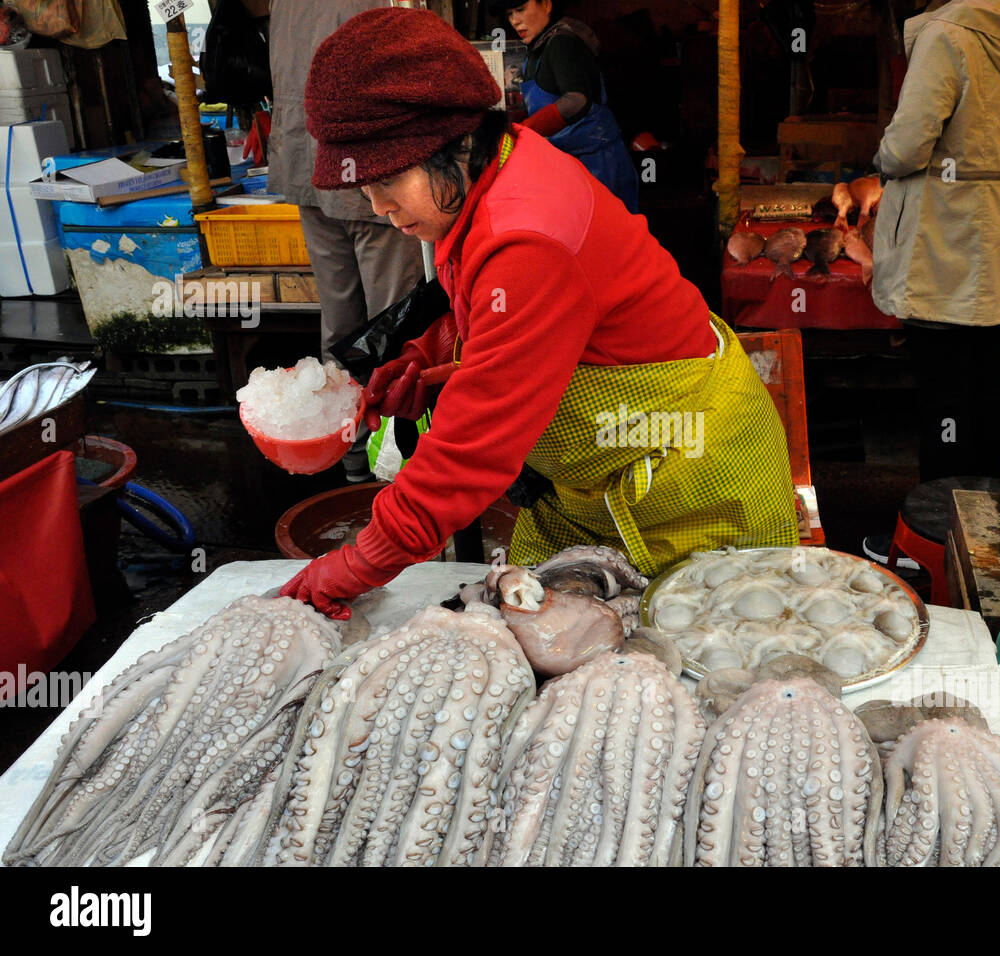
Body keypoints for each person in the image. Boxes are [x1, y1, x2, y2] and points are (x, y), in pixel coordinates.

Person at [279, 8, 796, 620]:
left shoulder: (527, 236)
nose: (378, 204)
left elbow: (471, 450)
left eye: (389, 178)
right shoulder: (494, 168)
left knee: (679, 661)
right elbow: (498, 316)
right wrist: (430, 355)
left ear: (457, 144)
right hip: (598, 478)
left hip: (686, 480)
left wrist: (355, 565)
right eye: (363, 185)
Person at [871, 0, 1000, 482]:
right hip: (998, 231)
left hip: (943, 236)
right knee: (983, 381)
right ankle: (984, 518)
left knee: (943, 394)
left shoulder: (947, 34)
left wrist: (883, 158)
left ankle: (934, 535)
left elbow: (908, 144)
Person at [267, 0, 426, 481]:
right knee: (395, 329)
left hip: (309, 166)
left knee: (341, 329)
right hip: (371, 175)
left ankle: (353, 457)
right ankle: (399, 463)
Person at [490, 0, 639, 212]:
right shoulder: (537, 50)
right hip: (568, 162)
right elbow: (539, 104)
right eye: (510, 13)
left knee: (608, 235)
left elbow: (576, 100)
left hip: (598, 163)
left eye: (521, 10)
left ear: (547, 5)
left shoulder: (563, 43)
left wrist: (522, 132)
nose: (515, 20)